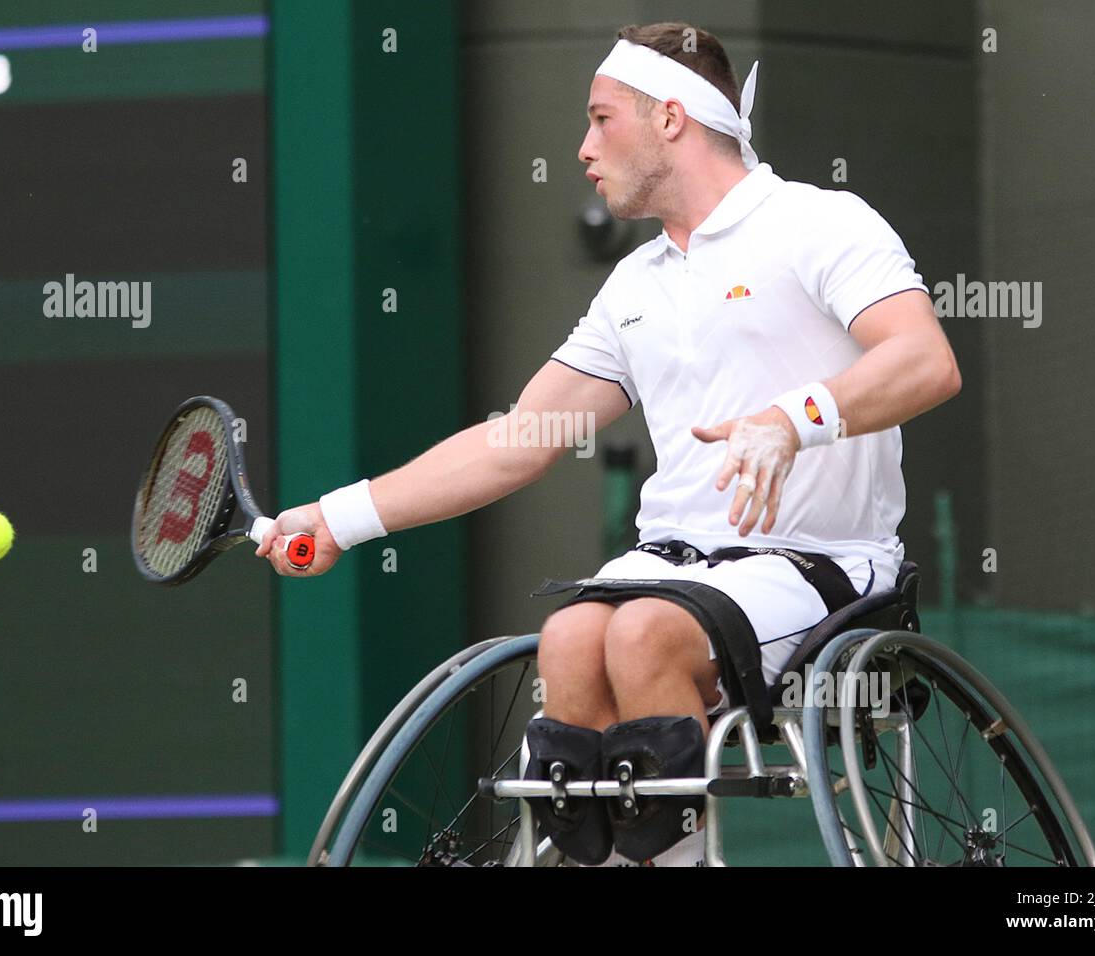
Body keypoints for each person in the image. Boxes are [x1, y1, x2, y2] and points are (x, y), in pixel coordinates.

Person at [256, 21, 961, 867]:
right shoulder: (635, 284)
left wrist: (789, 422)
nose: (583, 148)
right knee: (567, 641)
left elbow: (924, 361)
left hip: (824, 564)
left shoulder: (822, 224)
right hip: (673, 564)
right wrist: (338, 519)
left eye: (601, 119)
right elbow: (520, 439)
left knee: (640, 636)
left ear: (672, 117)